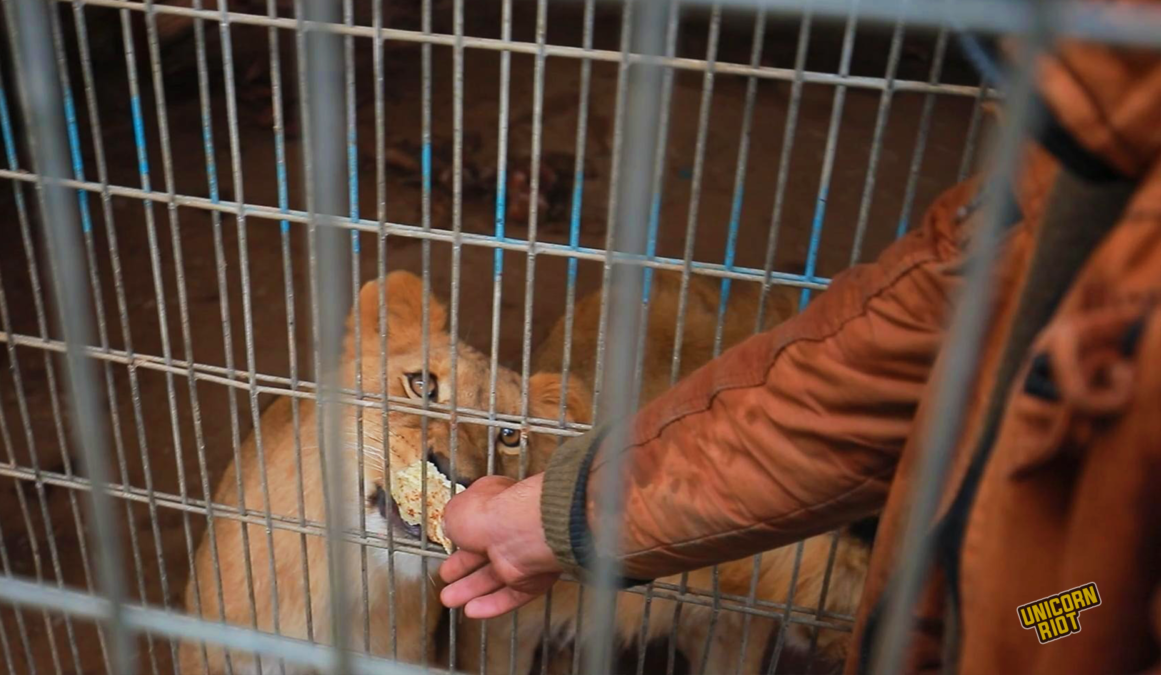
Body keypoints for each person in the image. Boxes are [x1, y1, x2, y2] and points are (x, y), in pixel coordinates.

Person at [440, 6, 1161, 673]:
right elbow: (850, 381)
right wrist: (561, 514)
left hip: (1060, 615)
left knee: (1056, 618)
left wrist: (1028, 633)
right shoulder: (1072, 160)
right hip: (995, 598)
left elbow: (1079, 615)